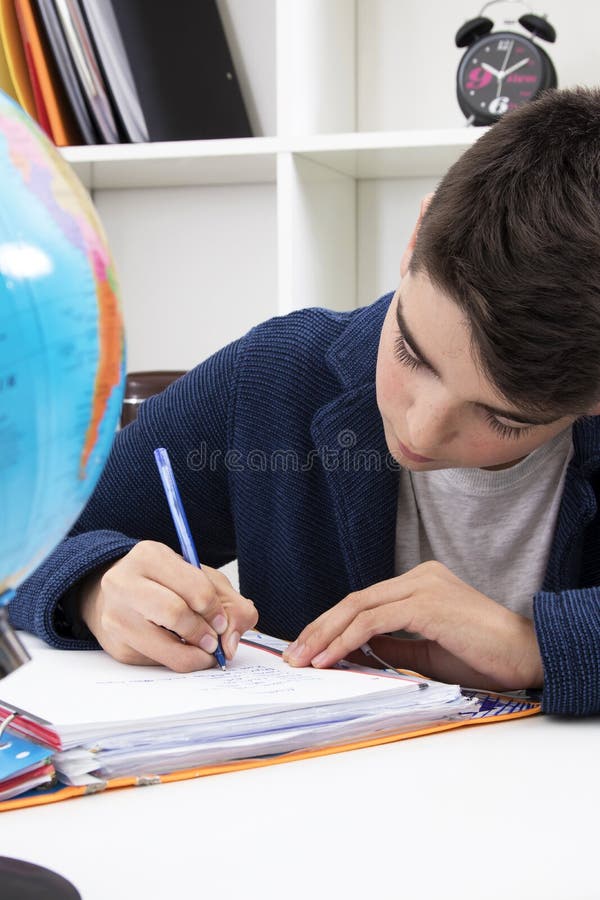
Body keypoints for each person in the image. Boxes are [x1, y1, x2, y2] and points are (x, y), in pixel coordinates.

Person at [10, 87, 600, 717]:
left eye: (503, 418)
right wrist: (95, 587)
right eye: (410, 354)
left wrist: (541, 645)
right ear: (416, 237)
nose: (422, 432)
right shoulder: (277, 377)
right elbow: (22, 533)